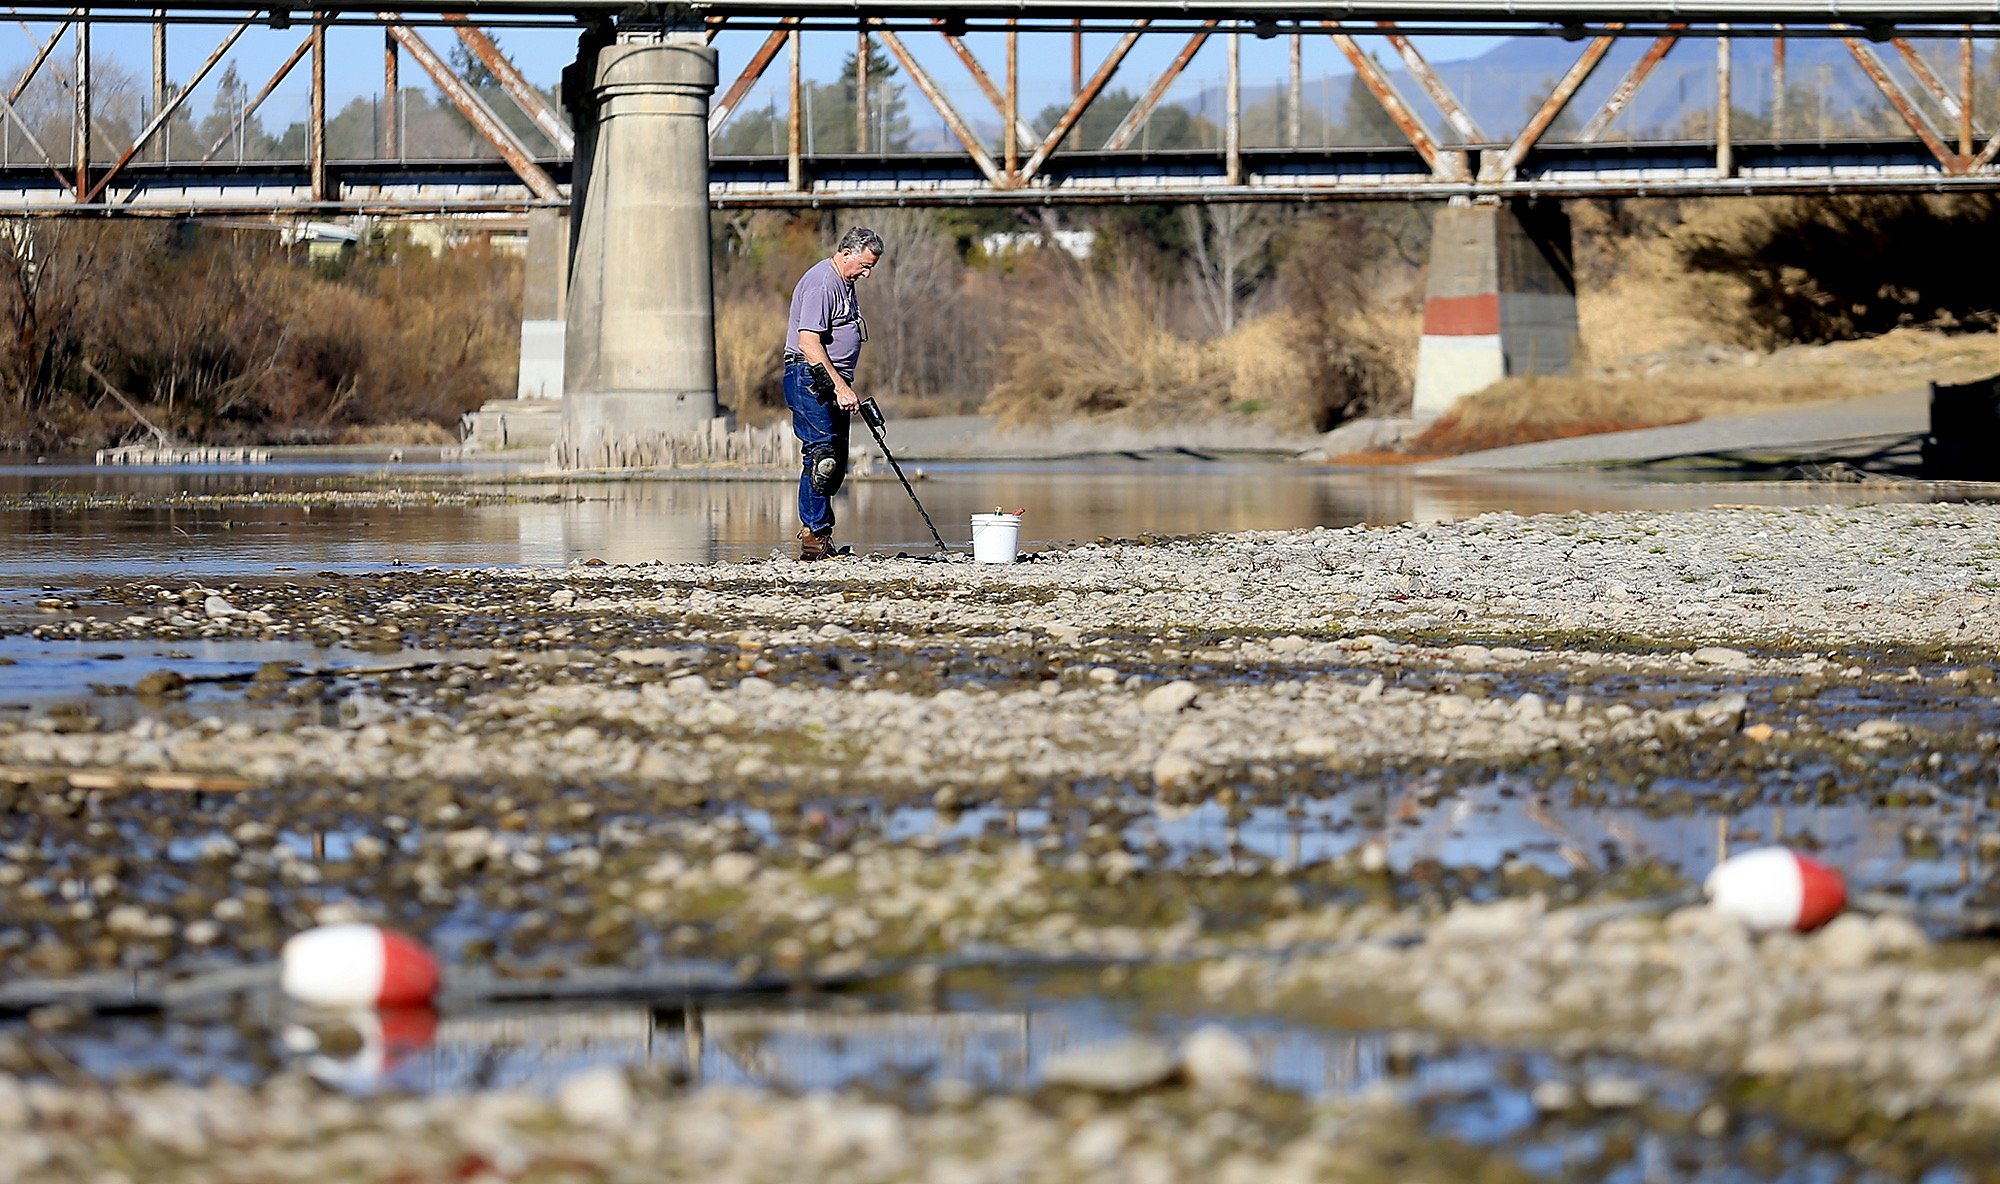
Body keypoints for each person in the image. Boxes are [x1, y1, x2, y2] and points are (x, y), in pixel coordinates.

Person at [783, 227, 884, 560]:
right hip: (809, 376)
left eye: (871, 268)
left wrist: (843, 384)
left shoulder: (845, 284)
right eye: (865, 266)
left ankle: (820, 534)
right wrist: (839, 387)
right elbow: (808, 343)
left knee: (836, 460)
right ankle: (814, 538)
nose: (867, 274)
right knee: (821, 456)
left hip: (831, 379)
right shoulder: (823, 283)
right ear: (846, 253)